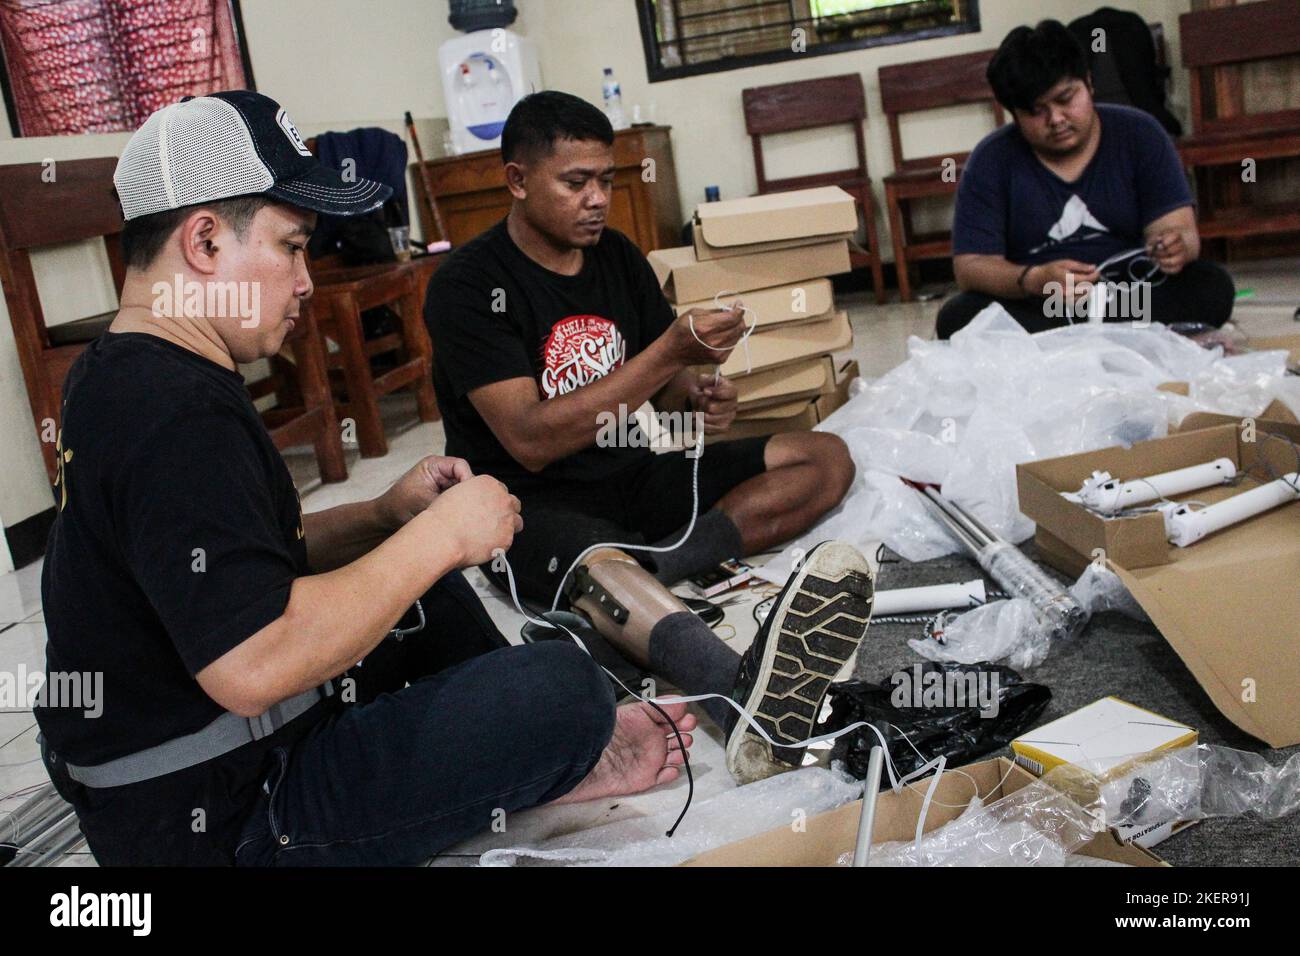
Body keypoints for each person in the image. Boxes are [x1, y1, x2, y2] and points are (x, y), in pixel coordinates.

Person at [35, 90, 697, 867]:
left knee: (422, 589)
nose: (308, 280)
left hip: (185, 774)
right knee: (562, 689)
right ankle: (552, 749)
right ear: (206, 241)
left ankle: (531, 755)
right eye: (291, 247)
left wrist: (387, 515)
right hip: (224, 814)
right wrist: (443, 537)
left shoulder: (128, 367)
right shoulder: (172, 411)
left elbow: (231, 560)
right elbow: (254, 663)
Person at [425, 91, 875, 785]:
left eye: (605, 179)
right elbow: (530, 441)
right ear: (516, 180)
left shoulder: (617, 258)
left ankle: (652, 579)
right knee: (603, 567)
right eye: (575, 183)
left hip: (633, 476)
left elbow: (661, 390)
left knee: (822, 456)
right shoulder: (467, 285)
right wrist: (669, 355)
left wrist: (694, 391)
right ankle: (750, 705)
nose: (597, 198)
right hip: (527, 507)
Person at [936, 19, 1234, 339]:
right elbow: (971, 267)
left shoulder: (1140, 134)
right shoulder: (991, 160)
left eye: (1066, 99)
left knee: (1210, 287)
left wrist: (1175, 246)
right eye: (1036, 111)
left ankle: (1070, 339)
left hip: (1128, 294)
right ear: (1014, 114)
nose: (1056, 119)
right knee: (959, 317)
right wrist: (1032, 279)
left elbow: (1180, 230)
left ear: (1089, 83)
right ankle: (1113, 336)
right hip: (1044, 301)